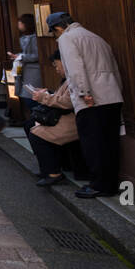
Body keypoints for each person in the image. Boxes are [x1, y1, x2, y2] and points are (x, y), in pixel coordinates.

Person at [48, 11, 124, 199]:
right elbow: (114, 67)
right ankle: (111, 184)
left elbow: (75, 69)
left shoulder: (67, 38)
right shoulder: (96, 37)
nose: (55, 36)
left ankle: (99, 184)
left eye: (54, 32)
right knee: (110, 142)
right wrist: (118, 90)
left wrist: (84, 93)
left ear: (58, 28)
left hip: (92, 99)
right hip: (112, 95)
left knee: (93, 143)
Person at [23, 50, 82, 187]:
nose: (56, 69)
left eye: (56, 65)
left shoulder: (74, 78)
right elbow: (63, 98)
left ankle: (54, 172)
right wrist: (47, 92)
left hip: (71, 120)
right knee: (29, 124)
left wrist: (44, 97)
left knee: (37, 133)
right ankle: (47, 167)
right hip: (64, 117)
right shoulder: (68, 78)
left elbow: (68, 102)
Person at [7, 13, 42, 123]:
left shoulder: (35, 38)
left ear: (26, 24)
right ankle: (34, 122)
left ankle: (37, 122)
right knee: (27, 97)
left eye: (20, 22)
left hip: (34, 71)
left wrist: (21, 57)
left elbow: (37, 55)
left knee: (31, 98)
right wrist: (18, 56)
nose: (18, 24)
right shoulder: (24, 37)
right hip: (25, 70)